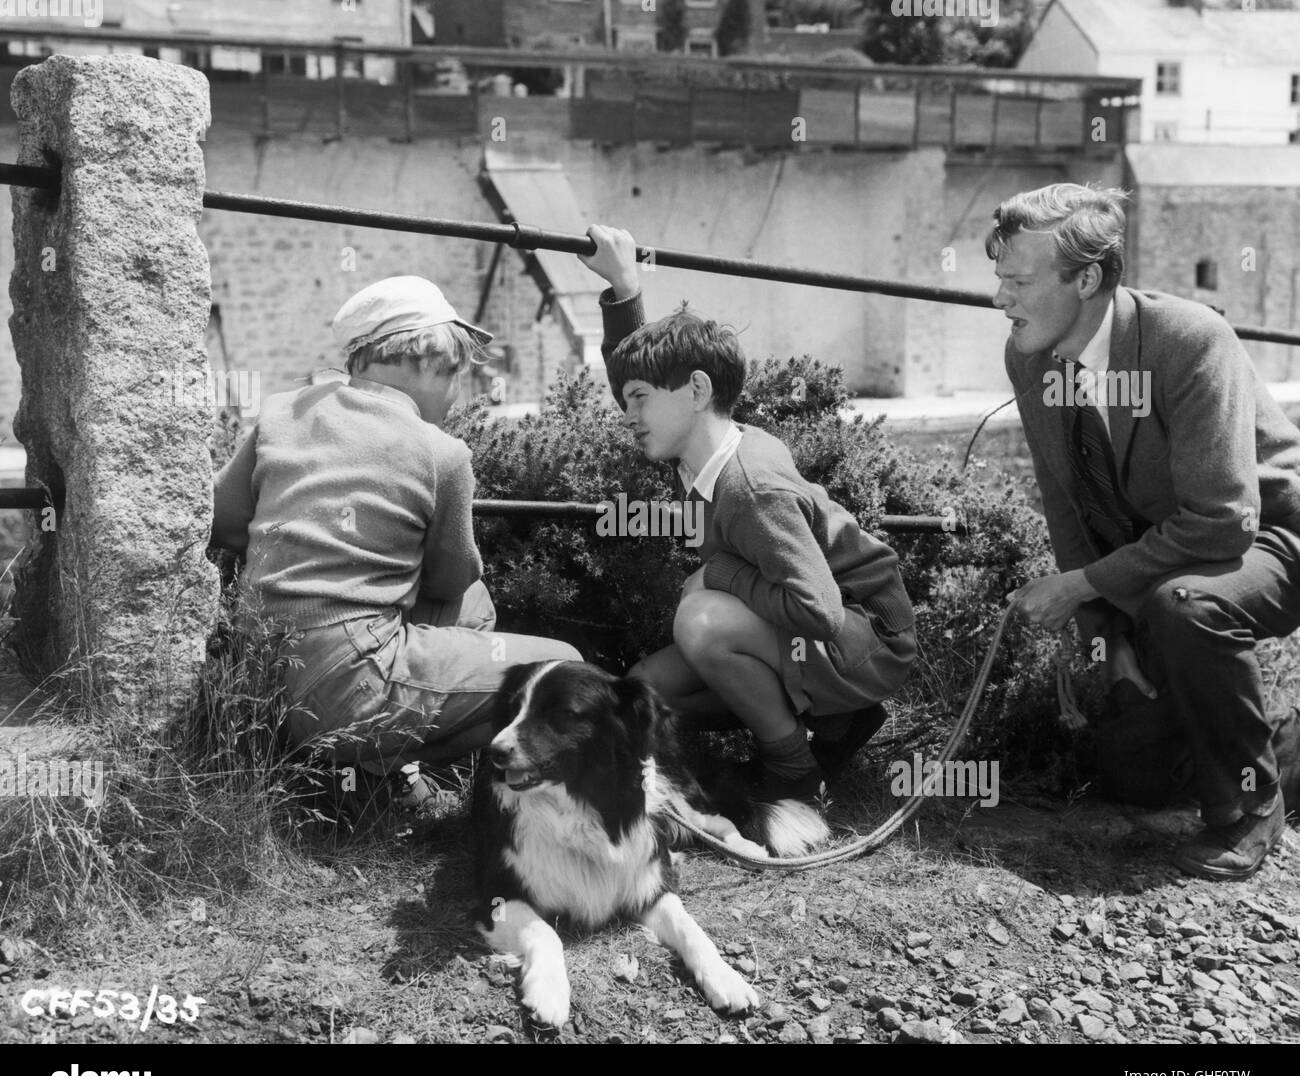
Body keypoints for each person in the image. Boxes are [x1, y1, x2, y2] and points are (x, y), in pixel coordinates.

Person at [992, 183, 1300, 881]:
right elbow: (1067, 509)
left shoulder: (1189, 339)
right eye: (998, 278)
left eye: (1018, 281)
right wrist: (1106, 634)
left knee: (1187, 608)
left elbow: (1224, 519)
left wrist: (1082, 588)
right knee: (1136, 775)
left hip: (1272, 538)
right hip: (1172, 563)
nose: (999, 298)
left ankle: (1250, 811)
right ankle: (1278, 744)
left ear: (1089, 278)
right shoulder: (1029, 356)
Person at [578, 226, 917, 839]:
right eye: (627, 399)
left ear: (698, 390)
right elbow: (641, 372)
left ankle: (793, 769)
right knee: (645, 694)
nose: (627, 415)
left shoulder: (750, 487)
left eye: (638, 400)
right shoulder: (693, 447)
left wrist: (721, 575)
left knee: (702, 620)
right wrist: (625, 288)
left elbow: (818, 612)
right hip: (816, 632)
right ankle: (836, 722)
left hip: (865, 636)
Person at [209, 276, 581, 824]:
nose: (460, 393)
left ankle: (371, 776)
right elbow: (450, 580)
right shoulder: (440, 452)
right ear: (433, 363)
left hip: (262, 670)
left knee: (473, 608)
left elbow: (223, 517)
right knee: (561, 667)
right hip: (351, 683)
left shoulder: (282, 413)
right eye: (461, 375)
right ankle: (404, 773)